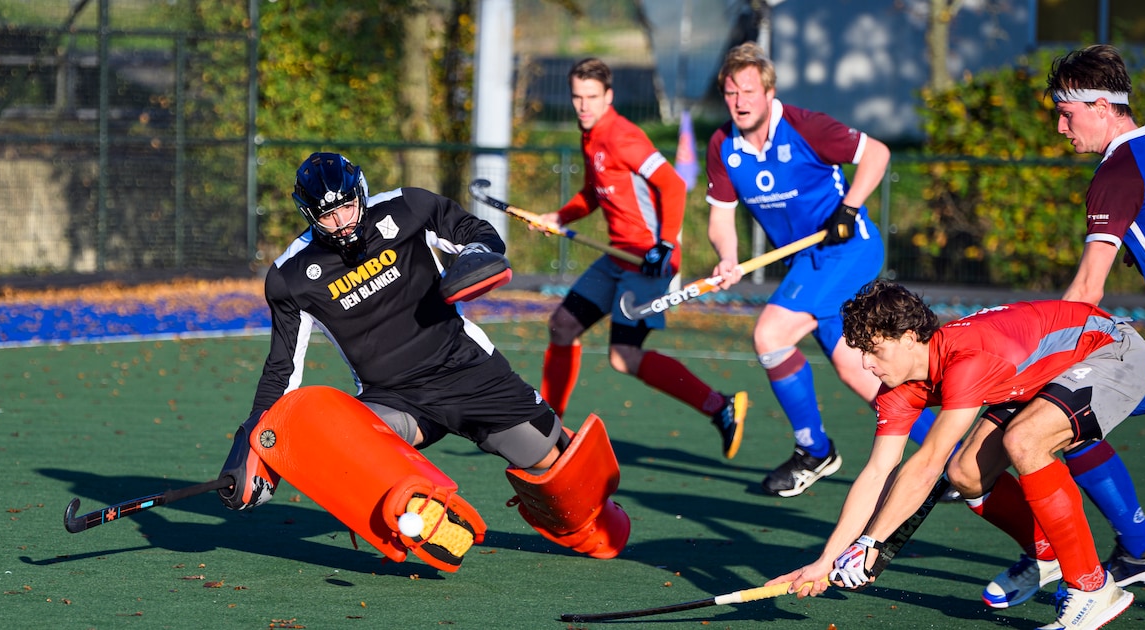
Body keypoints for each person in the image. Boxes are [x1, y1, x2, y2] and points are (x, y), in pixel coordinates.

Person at [214, 152, 630, 571]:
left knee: (555, 467)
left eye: (347, 207)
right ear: (309, 215)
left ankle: (591, 527)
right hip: (393, 399)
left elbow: (478, 233)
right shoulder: (290, 276)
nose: (341, 223)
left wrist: (475, 255)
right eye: (327, 216)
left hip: (467, 370)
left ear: (361, 193)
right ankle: (425, 519)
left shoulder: (408, 207)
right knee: (329, 437)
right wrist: (254, 439)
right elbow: (283, 369)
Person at [772, 280, 1145, 630]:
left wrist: (871, 543)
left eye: (875, 351)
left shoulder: (967, 359)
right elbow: (877, 472)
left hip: (1108, 350)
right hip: (1034, 377)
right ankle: (1046, 554)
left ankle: (1092, 587)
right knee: (966, 472)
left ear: (908, 338)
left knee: (1025, 440)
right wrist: (828, 559)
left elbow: (926, 464)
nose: (866, 364)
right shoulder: (898, 388)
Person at [975, 43, 1145, 607]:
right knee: (1074, 414)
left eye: (1067, 115)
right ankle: (1139, 548)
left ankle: (1057, 554)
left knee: (1050, 415)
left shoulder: (1116, 172)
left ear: (1102, 106)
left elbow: (1086, 292)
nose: (1061, 128)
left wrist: (1030, 353)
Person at [704, 41, 945, 497]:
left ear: (769, 93)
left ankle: (813, 450)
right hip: (805, 263)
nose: (740, 102)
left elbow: (877, 153)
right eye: (731, 93)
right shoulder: (722, 145)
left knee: (771, 334)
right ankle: (951, 456)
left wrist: (848, 209)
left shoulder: (805, 126)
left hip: (848, 251)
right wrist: (728, 257)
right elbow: (721, 217)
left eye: (749, 91)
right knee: (859, 371)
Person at [535, 57, 747, 460]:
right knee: (562, 326)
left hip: (649, 260)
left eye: (592, 97)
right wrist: (559, 217)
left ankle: (719, 405)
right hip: (617, 257)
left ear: (608, 96)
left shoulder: (623, 137)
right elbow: (593, 192)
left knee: (623, 356)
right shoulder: (589, 135)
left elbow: (673, 184)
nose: (583, 105)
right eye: (577, 97)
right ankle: (547, 427)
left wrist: (664, 244)